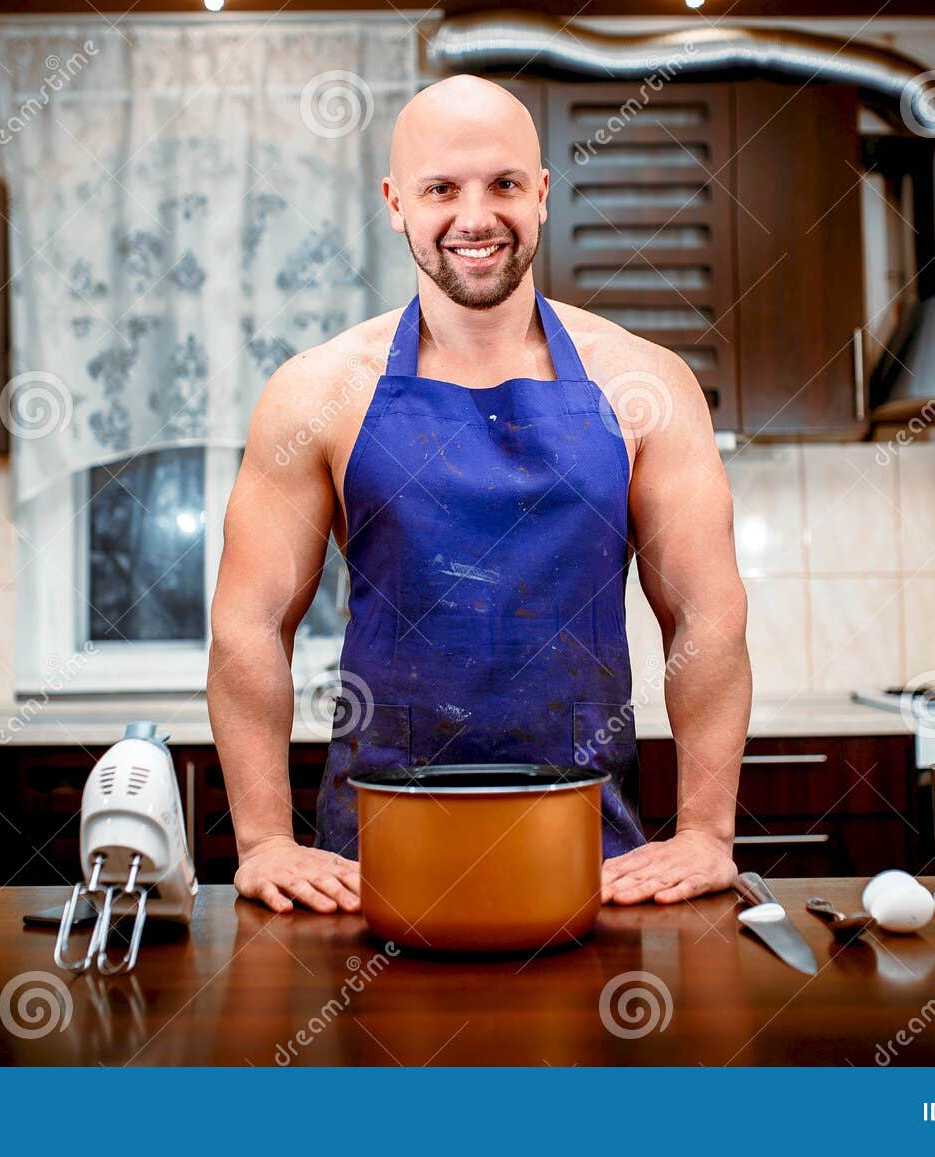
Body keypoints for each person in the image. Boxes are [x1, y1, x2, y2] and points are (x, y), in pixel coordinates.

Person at [208, 75, 750, 915]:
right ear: (395, 203)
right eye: (440, 189)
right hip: (371, 868)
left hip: (594, 865)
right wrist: (266, 841)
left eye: (503, 183)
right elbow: (249, 622)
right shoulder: (316, 391)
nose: (474, 216)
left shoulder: (645, 384)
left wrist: (707, 833)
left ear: (540, 194)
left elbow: (705, 616)